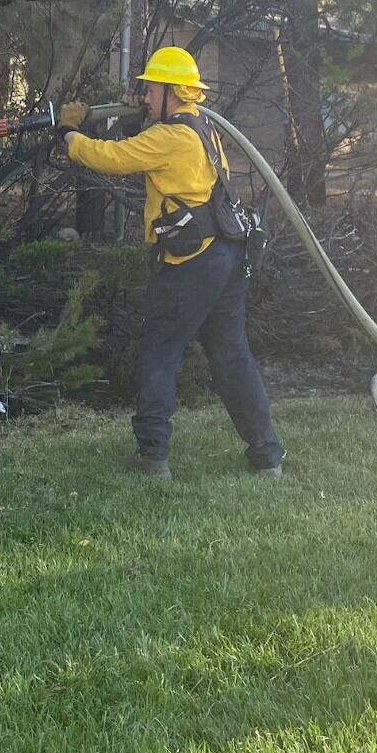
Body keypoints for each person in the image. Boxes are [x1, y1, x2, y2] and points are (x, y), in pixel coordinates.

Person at [56, 47, 285, 480]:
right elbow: (148, 149)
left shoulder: (170, 138)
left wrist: (68, 132)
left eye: (150, 89)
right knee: (232, 355)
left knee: (161, 351)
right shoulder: (202, 128)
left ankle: (152, 456)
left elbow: (112, 158)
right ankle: (267, 456)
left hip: (192, 263)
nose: (143, 97)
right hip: (227, 256)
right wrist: (125, 115)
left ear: (171, 92)